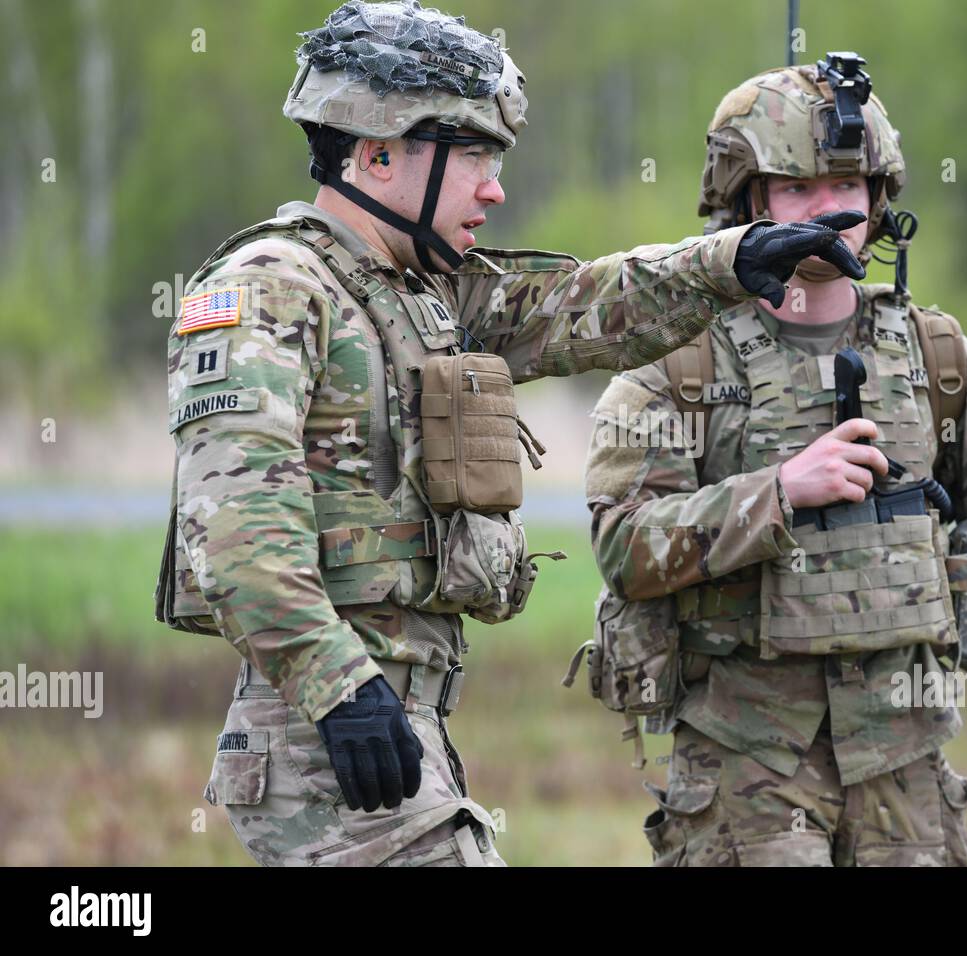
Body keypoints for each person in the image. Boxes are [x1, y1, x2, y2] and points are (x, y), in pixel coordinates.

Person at [153, 1, 865, 867]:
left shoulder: (416, 292)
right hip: (325, 732)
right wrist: (339, 688)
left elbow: (580, 309)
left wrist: (731, 259)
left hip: (384, 716)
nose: (494, 188)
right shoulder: (270, 290)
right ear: (378, 155)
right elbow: (233, 535)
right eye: (474, 158)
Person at [581, 53, 967, 866]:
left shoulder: (939, 357)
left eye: (846, 187)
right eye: (797, 189)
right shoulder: (675, 365)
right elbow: (622, 549)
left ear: (878, 199)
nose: (827, 210)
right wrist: (777, 492)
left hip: (904, 758)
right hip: (746, 758)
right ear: (747, 200)